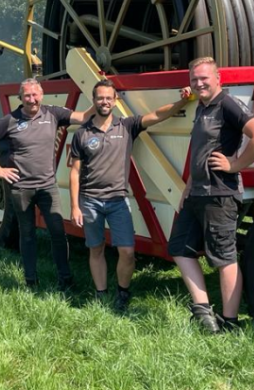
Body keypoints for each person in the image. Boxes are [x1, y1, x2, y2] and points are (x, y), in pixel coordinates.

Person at [69, 79, 192, 311]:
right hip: (90, 201)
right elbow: (75, 172)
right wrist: (75, 206)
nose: (104, 102)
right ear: (93, 101)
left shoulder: (126, 126)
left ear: (115, 101)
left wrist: (181, 102)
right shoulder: (82, 134)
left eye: (108, 98)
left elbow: (156, 115)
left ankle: (122, 293)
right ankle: (101, 293)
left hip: (118, 201)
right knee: (95, 249)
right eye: (99, 98)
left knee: (127, 252)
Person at [169, 57, 254, 333]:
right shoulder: (202, 107)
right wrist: (188, 187)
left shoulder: (227, 105)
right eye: (194, 79)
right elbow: (201, 150)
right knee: (179, 248)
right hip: (197, 193)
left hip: (220, 194)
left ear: (218, 79)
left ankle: (229, 322)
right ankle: (203, 312)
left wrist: (234, 164)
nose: (199, 83)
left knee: (224, 258)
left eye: (204, 78)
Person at [0, 77, 94, 290]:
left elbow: (84, 117)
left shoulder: (53, 114)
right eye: (27, 96)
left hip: (48, 187)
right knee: (28, 234)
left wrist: (99, 100)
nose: (32, 99)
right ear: (20, 98)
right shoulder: (10, 120)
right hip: (21, 189)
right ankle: (31, 280)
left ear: (41, 95)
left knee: (58, 233)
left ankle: (65, 279)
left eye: (35, 94)